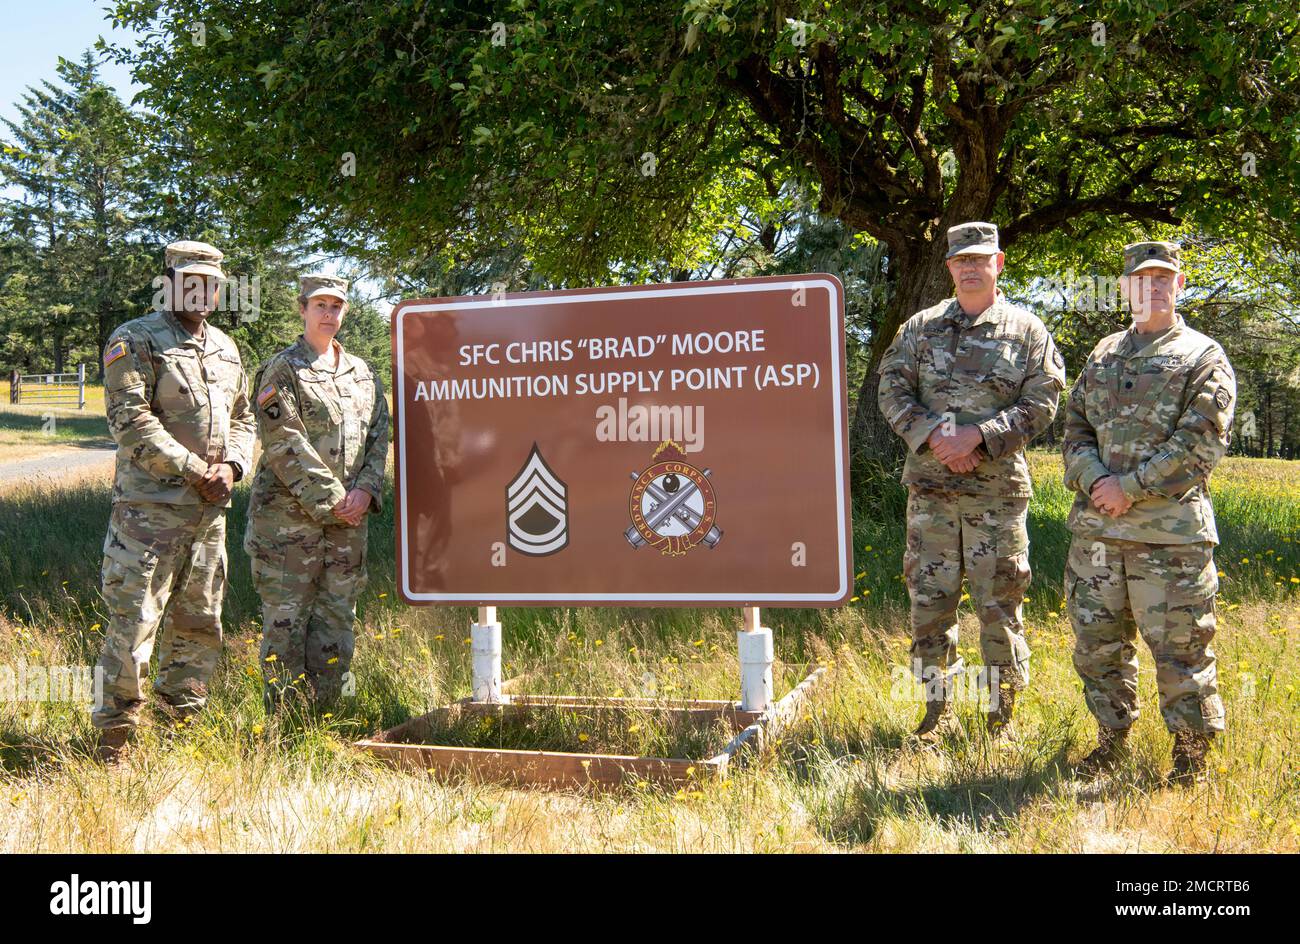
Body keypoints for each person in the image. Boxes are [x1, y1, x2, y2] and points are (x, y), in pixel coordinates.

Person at [878, 221, 1066, 742]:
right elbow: (890, 389)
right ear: (949, 268)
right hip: (931, 493)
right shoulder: (919, 328)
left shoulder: (1028, 331)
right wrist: (936, 435)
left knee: (998, 606)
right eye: (962, 261)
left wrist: (979, 437)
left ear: (998, 264)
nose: (971, 268)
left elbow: (1044, 399)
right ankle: (935, 715)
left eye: (980, 260)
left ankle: (999, 717)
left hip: (996, 496)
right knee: (930, 604)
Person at [1063, 241, 1235, 785]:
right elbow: (1075, 429)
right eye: (1141, 278)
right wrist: (1095, 481)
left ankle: (1190, 760)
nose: (1153, 287)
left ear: (1179, 285)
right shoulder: (1103, 354)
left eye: (1164, 277)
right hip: (1096, 533)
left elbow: (1201, 441)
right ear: (1125, 288)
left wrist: (1130, 488)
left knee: (1181, 652)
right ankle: (1110, 742)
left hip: (1171, 538)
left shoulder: (1203, 355)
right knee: (1098, 647)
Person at [94, 240, 255, 763]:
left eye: (209, 282)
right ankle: (113, 742)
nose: (199, 290)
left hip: (208, 518)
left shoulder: (228, 350)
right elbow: (131, 421)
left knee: (199, 625)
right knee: (131, 625)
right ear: (168, 281)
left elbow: (244, 418)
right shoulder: (134, 339)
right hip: (148, 517)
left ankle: (181, 729)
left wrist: (232, 466)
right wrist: (195, 471)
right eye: (188, 279)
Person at [245, 275, 389, 712]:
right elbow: (284, 441)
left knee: (337, 622)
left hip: (348, 527)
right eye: (320, 305)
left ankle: (327, 716)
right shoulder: (282, 369)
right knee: (286, 625)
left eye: (337, 306)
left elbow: (379, 436)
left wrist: (365, 490)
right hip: (288, 527)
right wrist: (335, 502)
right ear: (303, 309)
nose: (329, 314)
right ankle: (282, 724)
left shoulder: (361, 372)